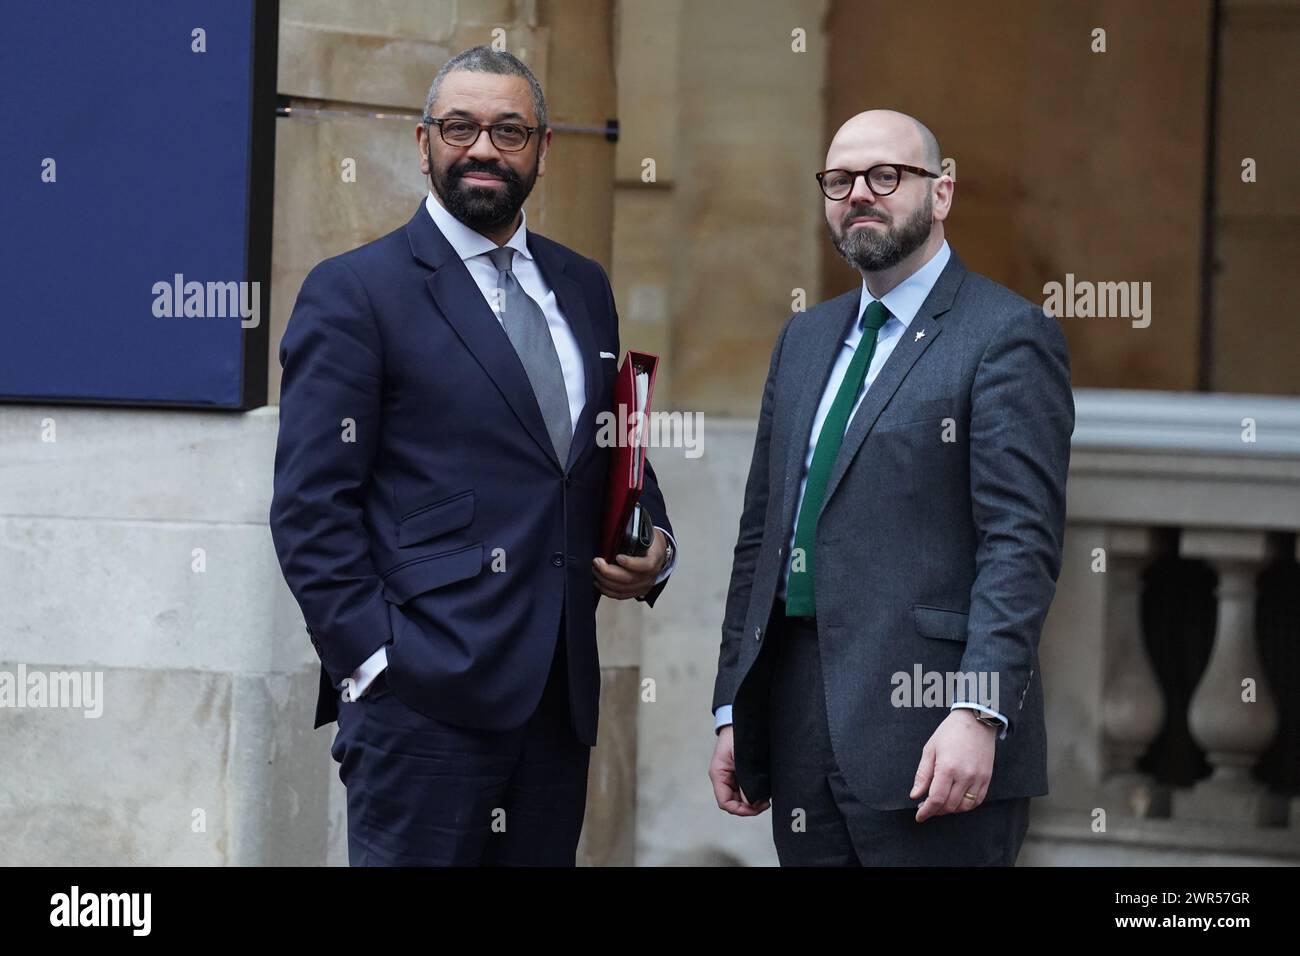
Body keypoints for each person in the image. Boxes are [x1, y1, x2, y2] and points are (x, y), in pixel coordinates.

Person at [270, 46, 676, 866]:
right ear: (423, 144)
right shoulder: (357, 291)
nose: (483, 148)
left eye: (508, 130)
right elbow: (310, 508)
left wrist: (654, 543)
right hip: (421, 708)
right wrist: (374, 663)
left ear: (543, 148)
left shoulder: (584, 285)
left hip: (556, 705)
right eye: (460, 128)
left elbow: (599, 442)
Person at [708, 109, 1073, 865]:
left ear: (940, 193)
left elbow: (1021, 543)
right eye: (839, 181)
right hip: (798, 714)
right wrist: (732, 705)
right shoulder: (805, 339)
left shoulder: (1006, 335)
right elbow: (761, 538)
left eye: (886, 176)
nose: (860, 195)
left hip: (935, 728)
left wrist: (980, 709)